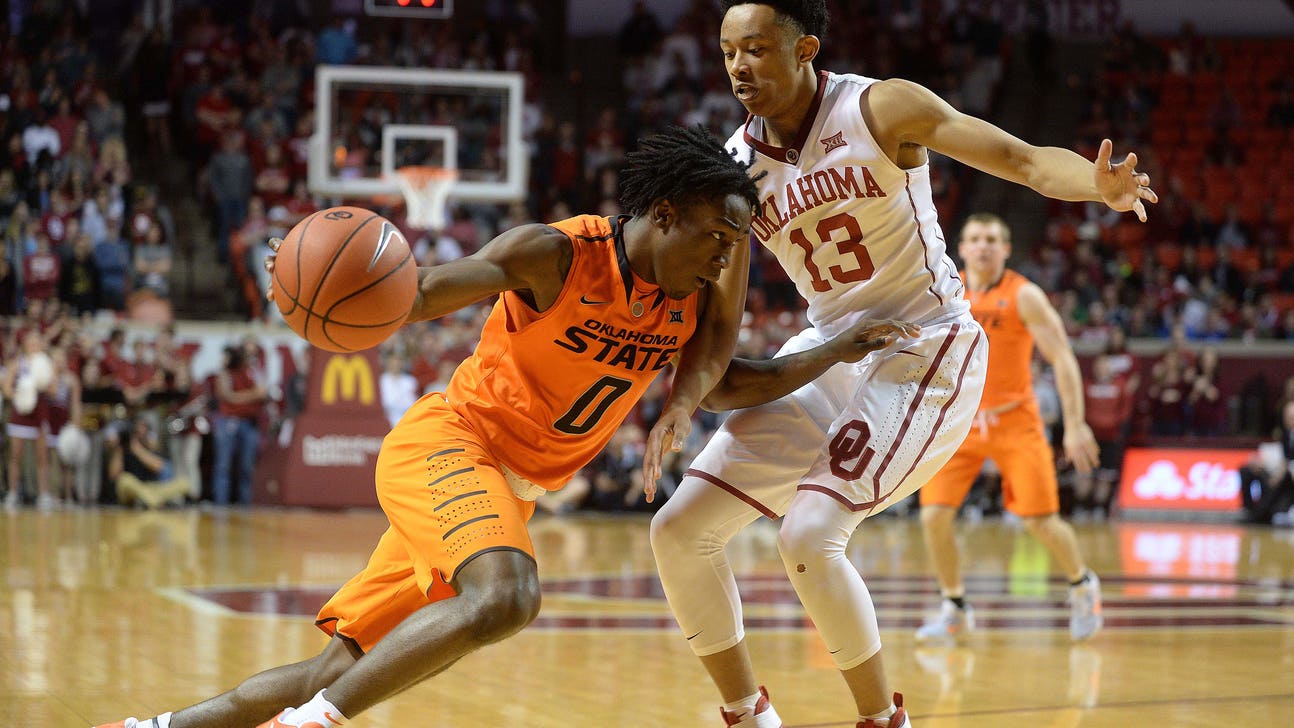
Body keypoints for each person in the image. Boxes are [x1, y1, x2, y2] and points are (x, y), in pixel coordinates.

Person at [92, 126, 915, 728]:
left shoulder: (688, 300)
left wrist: (837, 348)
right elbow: (413, 296)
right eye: (721, 236)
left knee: (335, 668)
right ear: (665, 215)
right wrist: (302, 258)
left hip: (502, 489)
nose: (729, 257)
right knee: (509, 595)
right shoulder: (554, 256)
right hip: (450, 447)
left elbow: (734, 381)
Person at [648, 4, 1156, 727]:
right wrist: (680, 399)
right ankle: (747, 713)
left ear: (806, 50)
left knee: (807, 534)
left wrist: (1098, 187)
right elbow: (723, 325)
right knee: (677, 532)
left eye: (756, 49)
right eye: (728, 52)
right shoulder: (734, 168)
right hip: (831, 347)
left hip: (926, 345)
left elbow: (1025, 161)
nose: (738, 67)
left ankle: (883, 719)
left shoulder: (882, 106)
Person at [914, 214, 1104, 643]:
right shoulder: (946, 291)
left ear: (1006, 248)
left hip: (1016, 419)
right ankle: (955, 606)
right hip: (960, 420)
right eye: (976, 239)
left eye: (992, 240)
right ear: (960, 248)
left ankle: (1082, 583)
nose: (983, 246)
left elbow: (1064, 359)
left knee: (1041, 522)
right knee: (933, 517)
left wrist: (1074, 425)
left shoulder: (1025, 295)